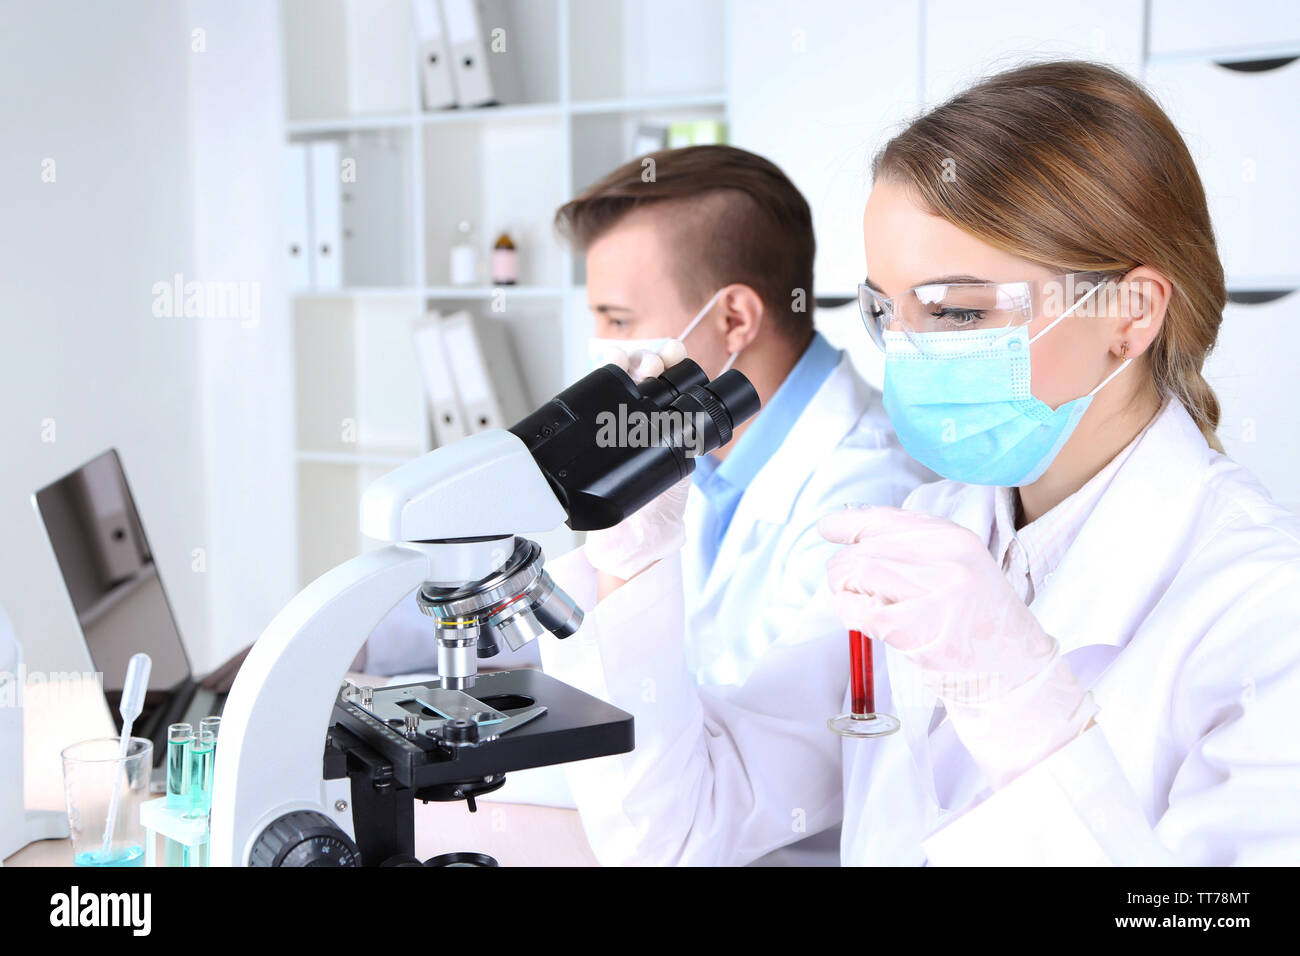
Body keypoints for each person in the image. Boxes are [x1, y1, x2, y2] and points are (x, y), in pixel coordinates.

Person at [537, 61, 1300, 865]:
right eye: (886, 313)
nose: (908, 356)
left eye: (957, 312)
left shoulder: (1262, 610)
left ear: (1130, 312)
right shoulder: (922, 535)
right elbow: (688, 829)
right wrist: (633, 564)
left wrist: (1028, 718)